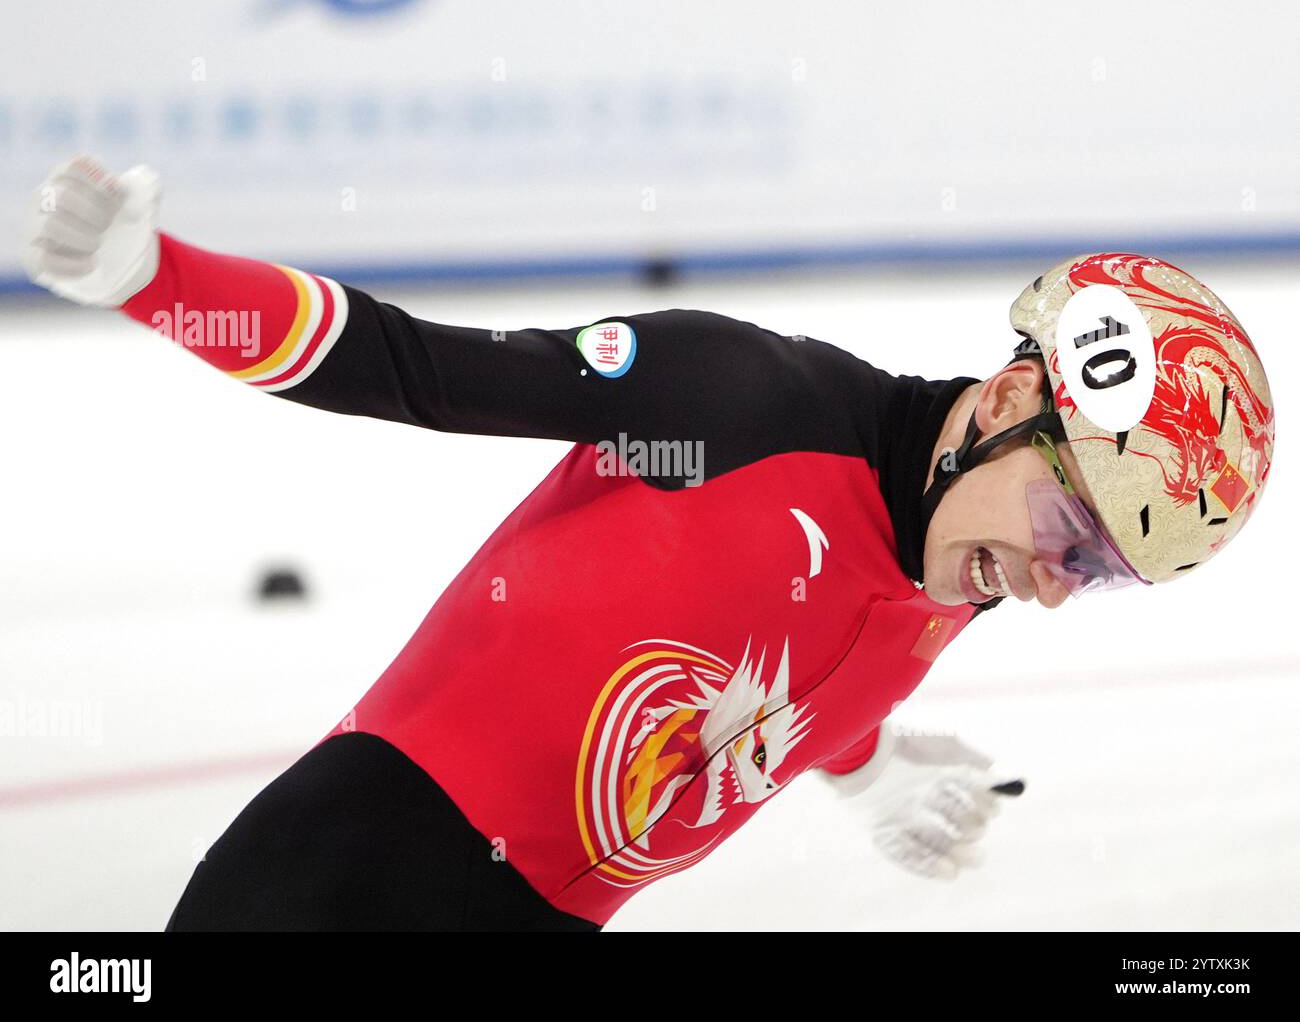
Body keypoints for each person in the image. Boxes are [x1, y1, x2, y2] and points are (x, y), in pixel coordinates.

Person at [22, 155, 1276, 931]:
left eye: (1100, 573)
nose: (1055, 590)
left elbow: (802, 627)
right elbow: (409, 367)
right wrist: (155, 274)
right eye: (1072, 533)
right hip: (342, 887)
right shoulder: (731, 404)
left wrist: (862, 760)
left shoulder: (967, 552)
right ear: (1006, 405)